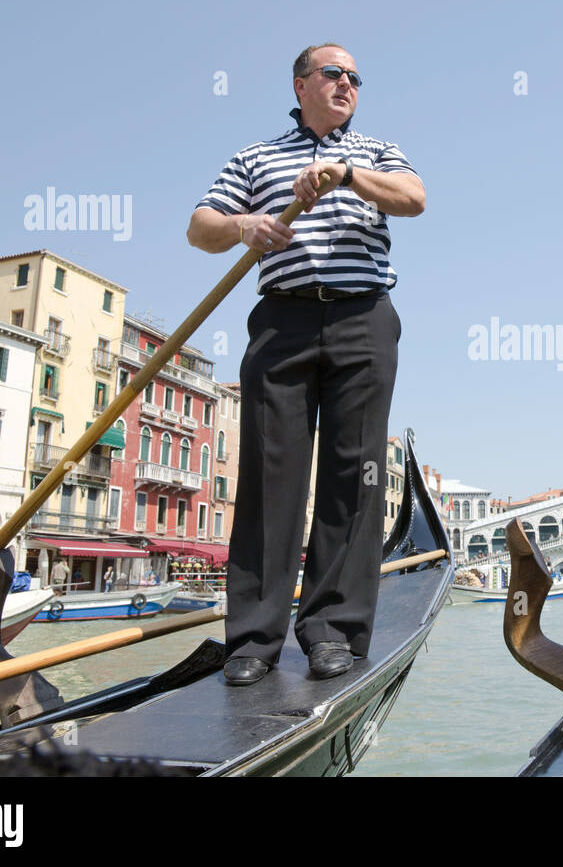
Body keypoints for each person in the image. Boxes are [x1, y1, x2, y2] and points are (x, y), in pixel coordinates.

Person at [188, 42, 424, 686]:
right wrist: (243, 227)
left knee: (357, 473)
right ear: (300, 85)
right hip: (283, 320)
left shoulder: (375, 150)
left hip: (362, 317)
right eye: (333, 73)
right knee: (271, 475)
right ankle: (254, 640)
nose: (347, 83)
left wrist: (347, 176)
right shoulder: (254, 157)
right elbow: (199, 226)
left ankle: (332, 631)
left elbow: (413, 198)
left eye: (355, 77)